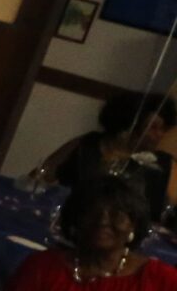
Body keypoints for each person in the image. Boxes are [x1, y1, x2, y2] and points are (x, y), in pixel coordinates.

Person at [0, 175, 177, 291]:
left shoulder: (161, 280)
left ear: (134, 225)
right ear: (75, 220)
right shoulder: (41, 268)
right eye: (93, 212)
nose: (103, 220)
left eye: (117, 214)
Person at [35, 91, 177, 214]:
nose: (159, 135)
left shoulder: (163, 164)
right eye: (152, 127)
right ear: (129, 124)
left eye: (163, 129)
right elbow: (38, 180)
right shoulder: (87, 145)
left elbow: (169, 212)